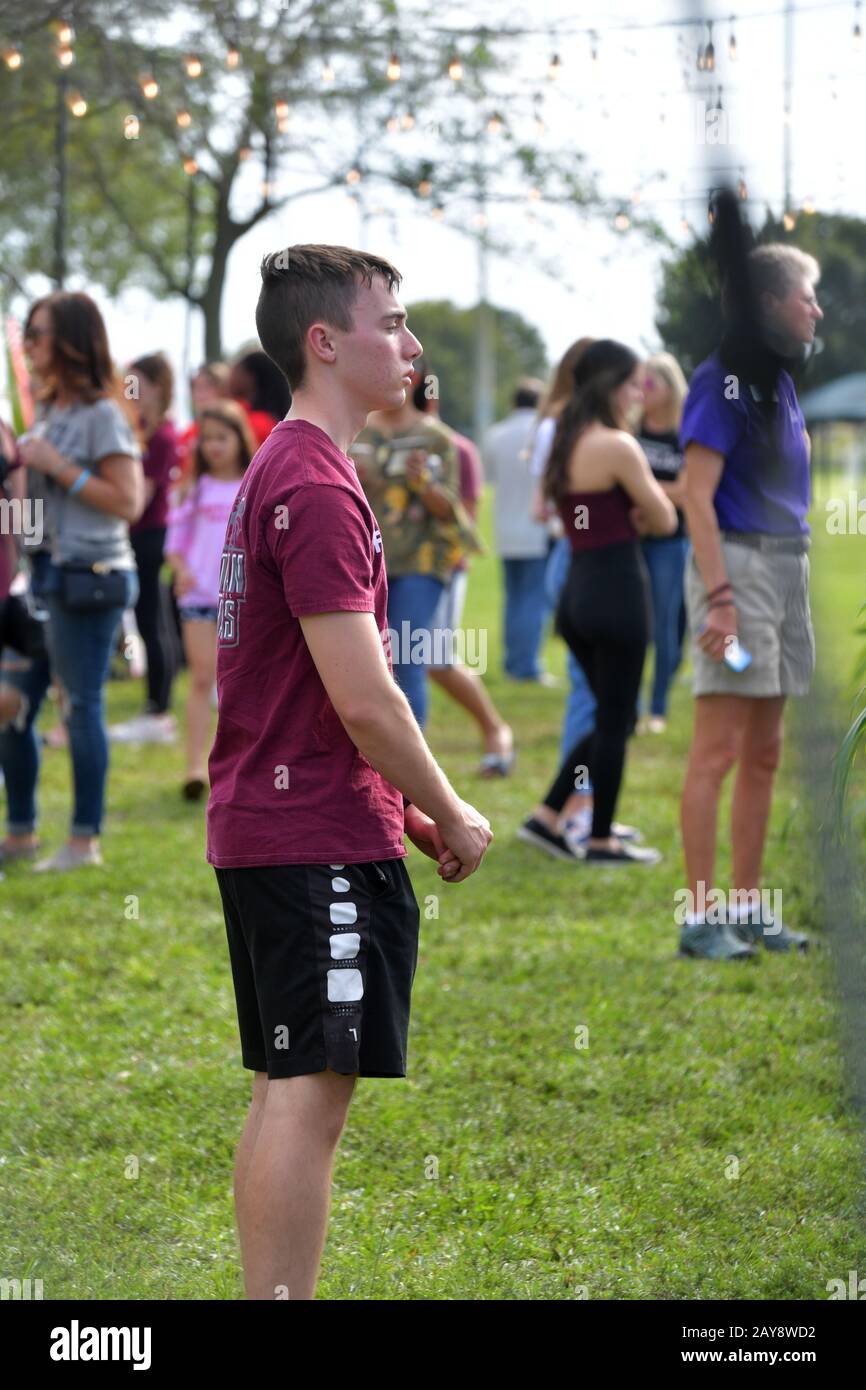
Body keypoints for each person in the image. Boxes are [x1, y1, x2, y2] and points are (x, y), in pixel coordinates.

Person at [206, 243, 492, 1300]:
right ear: (326, 343)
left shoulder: (288, 463)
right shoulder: (316, 482)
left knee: (290, 1083)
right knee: (308, 1093)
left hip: (280, 824)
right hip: (308, 837)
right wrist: (451, 810)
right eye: (394, 322)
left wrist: (399, 801)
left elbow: (319, 694)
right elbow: (366, 699)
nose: (411, 345)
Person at [678, 240, 821, 959]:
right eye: (806, 295)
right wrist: (722, 601)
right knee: (718, 752)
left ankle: (749, 906)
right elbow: (693, 497)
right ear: (769, 302)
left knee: (765, 752)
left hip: (786, 570)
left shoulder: (781, 383)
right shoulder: (721, 379)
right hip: (736, 571)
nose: (817, 309)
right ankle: (700, 918)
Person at [0, 291, 143, 872]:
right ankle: (20, 835)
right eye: (27, 334)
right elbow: (36, 513)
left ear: (71, 342)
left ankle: (84, 842)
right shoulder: (51, 413)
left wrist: (58, 467)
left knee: (80, 707)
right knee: (11, 704)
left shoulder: (101, 414)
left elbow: (128, 500)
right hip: (43, 578)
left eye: (38, 333)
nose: (29, 344)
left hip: (90, 579)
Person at [518, 339, 676, 865]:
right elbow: (665, 518)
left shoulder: (562, 437)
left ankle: (547, 815)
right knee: (616, 718)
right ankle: (602, 839)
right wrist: (638, 513)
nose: (639, 394)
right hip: (617, 591)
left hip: (576, 594)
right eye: (634, 383)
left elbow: (559, 509)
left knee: (615, 714)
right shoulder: (617, 444)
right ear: (612, 385)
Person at [352, 361, 484, 730]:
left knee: (405, 655)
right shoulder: (355, 433)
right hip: (362, 560)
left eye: (406, 371)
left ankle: (410, 778)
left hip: (421, 564)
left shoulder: (437, 438)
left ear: (417, 381)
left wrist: (424, 484)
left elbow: (452, 513)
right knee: (362, 659)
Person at [415, 373, 515, 775]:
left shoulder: (456, 448)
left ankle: (494, 729)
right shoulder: (368, 443)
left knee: (432, 658)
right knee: (411, 658)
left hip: (439, 570)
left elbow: (466, 522)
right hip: (384, 569)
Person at [165, 401, 254, 800]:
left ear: (240, 439)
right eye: (208, 439)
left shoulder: (254, 484)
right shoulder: (192, 489)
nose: (215, 446)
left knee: (242, 682)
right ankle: (194, 765)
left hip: (245, 597)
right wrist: (181, 570)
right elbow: (175, 545)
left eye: (224, 437)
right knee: (203, 678)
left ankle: (243, 764)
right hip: (199, 598)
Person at [109, 353, 181, 745]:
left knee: (153, 622)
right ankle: (156, 705)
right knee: (151, 619)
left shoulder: (161, 436)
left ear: (155, 387)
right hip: (140, 535)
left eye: (134, 383)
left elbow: (139, 498)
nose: (128, 390)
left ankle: (158, 707)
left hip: (149, 536)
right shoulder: (139, 430)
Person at [636, 352, 690, 733]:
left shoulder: (684, 434)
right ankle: (633, 707)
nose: (642, 391)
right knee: (635, 625)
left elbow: (687, 492)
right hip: (633, 539)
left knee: (665, 627)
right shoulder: (631, 429)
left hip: (670, 543)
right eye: (639, 383)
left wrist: (643, 494)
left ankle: (658, 707)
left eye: (650, 384)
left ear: (669, 388)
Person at [485, 379, 552, 683]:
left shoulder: (495, 434)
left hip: (504, 528)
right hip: (536, 528)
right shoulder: (544, 433)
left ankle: (513, 660)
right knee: (533, 600)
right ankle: (526, 664)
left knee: (513, 598)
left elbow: (490, 476)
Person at [176, 362, 231, 481]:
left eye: (207, 387)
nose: (200, 393)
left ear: (223, 389)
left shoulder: (239, 425)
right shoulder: (188, 434)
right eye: (196, 387)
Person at [229, 349, 291, 447]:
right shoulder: (277, 419)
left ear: (250, 377)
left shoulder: (256, 423)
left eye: (236, 371)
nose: (230, 377)